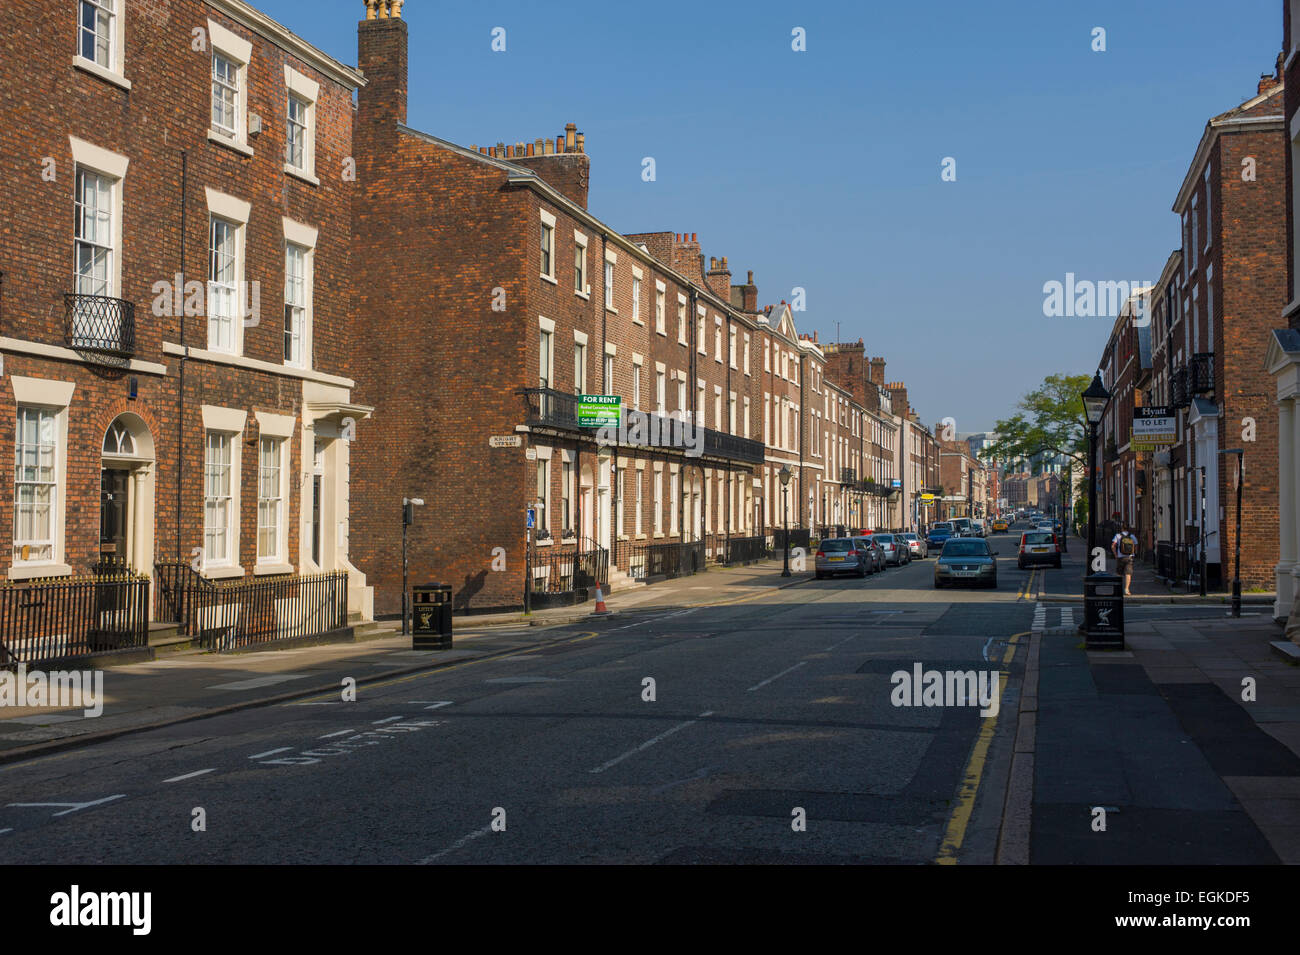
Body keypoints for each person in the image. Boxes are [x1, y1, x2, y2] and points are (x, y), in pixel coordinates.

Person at [1111, 523, 1138, 596]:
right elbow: (1135, 545)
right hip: (1129, 557)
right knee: (1128, 573)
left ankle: (1118, 589)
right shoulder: (1132, 536)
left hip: (1120, 557)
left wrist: (1115, 555)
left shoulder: (1118, 535)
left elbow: (1113, 546)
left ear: (1122, 528)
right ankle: (1126, 589)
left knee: (1119, 573)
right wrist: (1134, 553)